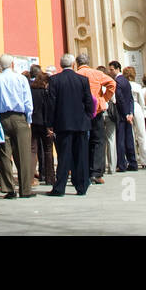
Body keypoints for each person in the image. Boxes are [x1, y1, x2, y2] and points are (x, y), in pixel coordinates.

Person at [48, 53, 95, 195]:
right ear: (73, 64)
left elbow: (51, 104)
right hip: (80, 123)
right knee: (81, 155)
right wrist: (87, 116)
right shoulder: (83, 80)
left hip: (63, 123)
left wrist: (50, 124)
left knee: (64, 155)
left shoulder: (54, 80)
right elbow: (88, 101)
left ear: (61, 65)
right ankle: (82, 186)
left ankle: (60, 187)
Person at [0, 54, 35, 198]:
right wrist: (28, 118)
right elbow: (28, 100)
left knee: (3, 154)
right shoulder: (21, 79)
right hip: (19, 117)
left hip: (2, 118)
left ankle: (9, 188)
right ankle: (25, 189)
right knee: (23, 154)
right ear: (12, 64)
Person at [76, 53, 115, 182]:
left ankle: (83, 170)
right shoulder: (96, 74)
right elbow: (112, 83)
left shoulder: (76, 75)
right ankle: (96, 172)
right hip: (96, 109)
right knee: (98, 140)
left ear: (77, 63)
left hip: (80, 111)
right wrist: (104, 98)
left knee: (82, 141)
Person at [109, 60, 138, 171]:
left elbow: (120, 99)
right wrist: (130, 113)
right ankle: (133, 162)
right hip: (127, 114)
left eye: (112, 69)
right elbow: (130, 99)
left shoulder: (118, 82)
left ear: (117, 69)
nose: (110, 72)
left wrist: (125, 114)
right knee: (129, 139)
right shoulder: (126, 81)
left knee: (120, 140)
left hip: (121, 114)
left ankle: (121, 164)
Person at [31, 68, 55, 184]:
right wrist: (50, 127)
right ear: (45, 82)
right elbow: (47, 110)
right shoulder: (45, 93)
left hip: (33, 123)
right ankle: (49, 177)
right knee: (48, 150)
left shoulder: (31, 90)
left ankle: (30, 177)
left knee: (33, 150)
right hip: (44, 123)